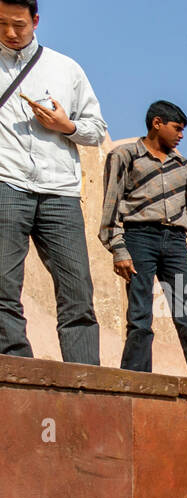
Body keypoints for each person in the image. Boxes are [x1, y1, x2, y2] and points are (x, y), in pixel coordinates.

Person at [0, 0, 105, 364]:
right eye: (1, 24)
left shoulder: (65, 68)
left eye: (19, 25)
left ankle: (86, 380)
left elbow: (97, 131)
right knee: (3, 287)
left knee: (77, 291)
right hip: (6, 182)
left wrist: (66, 126)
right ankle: (19, 369)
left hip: (59, 191)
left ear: (36, 21)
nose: (11, 33)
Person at [98, 100, 187, 378]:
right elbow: (111, 204)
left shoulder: (184, 166)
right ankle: (135, 377)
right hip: (138, 238)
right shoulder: (124, 156)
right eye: (176, 128)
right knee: (140, 314)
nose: (181, 135)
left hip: (176, 243)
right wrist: (118, 248)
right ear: (157, 123)